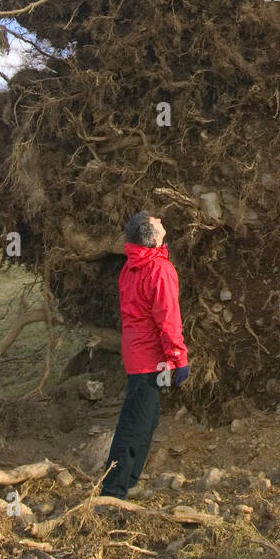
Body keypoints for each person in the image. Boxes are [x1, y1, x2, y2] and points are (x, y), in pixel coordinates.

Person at [100, 210, 189, 499]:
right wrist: (179, 358)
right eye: (156, 221)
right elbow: (168, 318)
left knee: (148, 419)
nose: (162, 220)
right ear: (151, 236)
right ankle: (113, 491)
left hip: (141, 355)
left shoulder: (132, 266)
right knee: (134, 424)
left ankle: (131, 480)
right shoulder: (159, 269)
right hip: (150, 359)